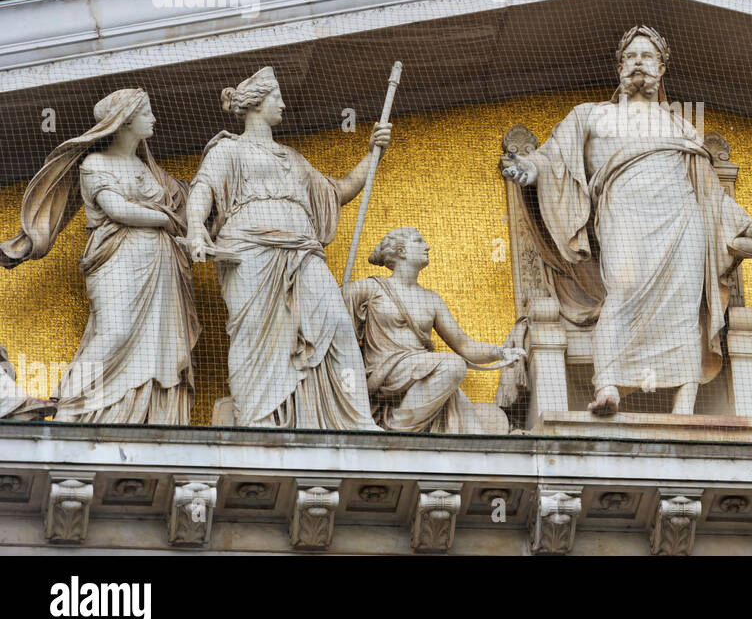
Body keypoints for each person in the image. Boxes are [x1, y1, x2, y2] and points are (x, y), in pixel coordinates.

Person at [500, 25, 752, 416]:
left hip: (682, 221)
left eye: (647, 57)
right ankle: (608, 386)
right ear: (619, 67)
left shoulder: (681, 126)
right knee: (625, 287)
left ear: (661, 69)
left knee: (686, 310)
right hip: (624, 216)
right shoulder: (591, 116)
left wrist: (749, 230)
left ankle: (685, 406)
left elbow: (709, 193)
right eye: (631, 56)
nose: (638, 64)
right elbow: (552, 161)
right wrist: (527, 169)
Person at [184, 67, 388, 430]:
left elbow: (337, 192)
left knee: (337, 325)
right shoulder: (228, 149)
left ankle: (357, 417)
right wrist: (196, 227)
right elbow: (202, 190)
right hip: (249, 251)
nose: (283, 104)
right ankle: (255, 421)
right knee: (253, 337)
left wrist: (373, 155)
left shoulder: (292, 158)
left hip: (301, 250)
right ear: (257, 104)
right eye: (276, 97)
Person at [0, 88, 200, 424]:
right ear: (124, 121)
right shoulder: (95, 164)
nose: (154, 118)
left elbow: (185, 198)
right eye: (146, 112)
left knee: (159, 342)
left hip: (160, 264)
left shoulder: (150, 170)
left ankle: (145, 413)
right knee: (115, 332)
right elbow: (117, 209)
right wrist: (168, 220)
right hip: (118, 260)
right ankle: (70, 405)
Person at [344, 228, 522, 433]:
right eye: (419, 241)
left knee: (472, 426)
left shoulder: (431, 299)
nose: (427, 246)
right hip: (384, 370)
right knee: (453, 366)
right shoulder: (370, 289)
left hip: (421, 370)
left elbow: (463, 344)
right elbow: (334, 315)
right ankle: (397, 427)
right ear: (401, 251)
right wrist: (342, 294)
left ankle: (401, 425)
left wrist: (499, 352)